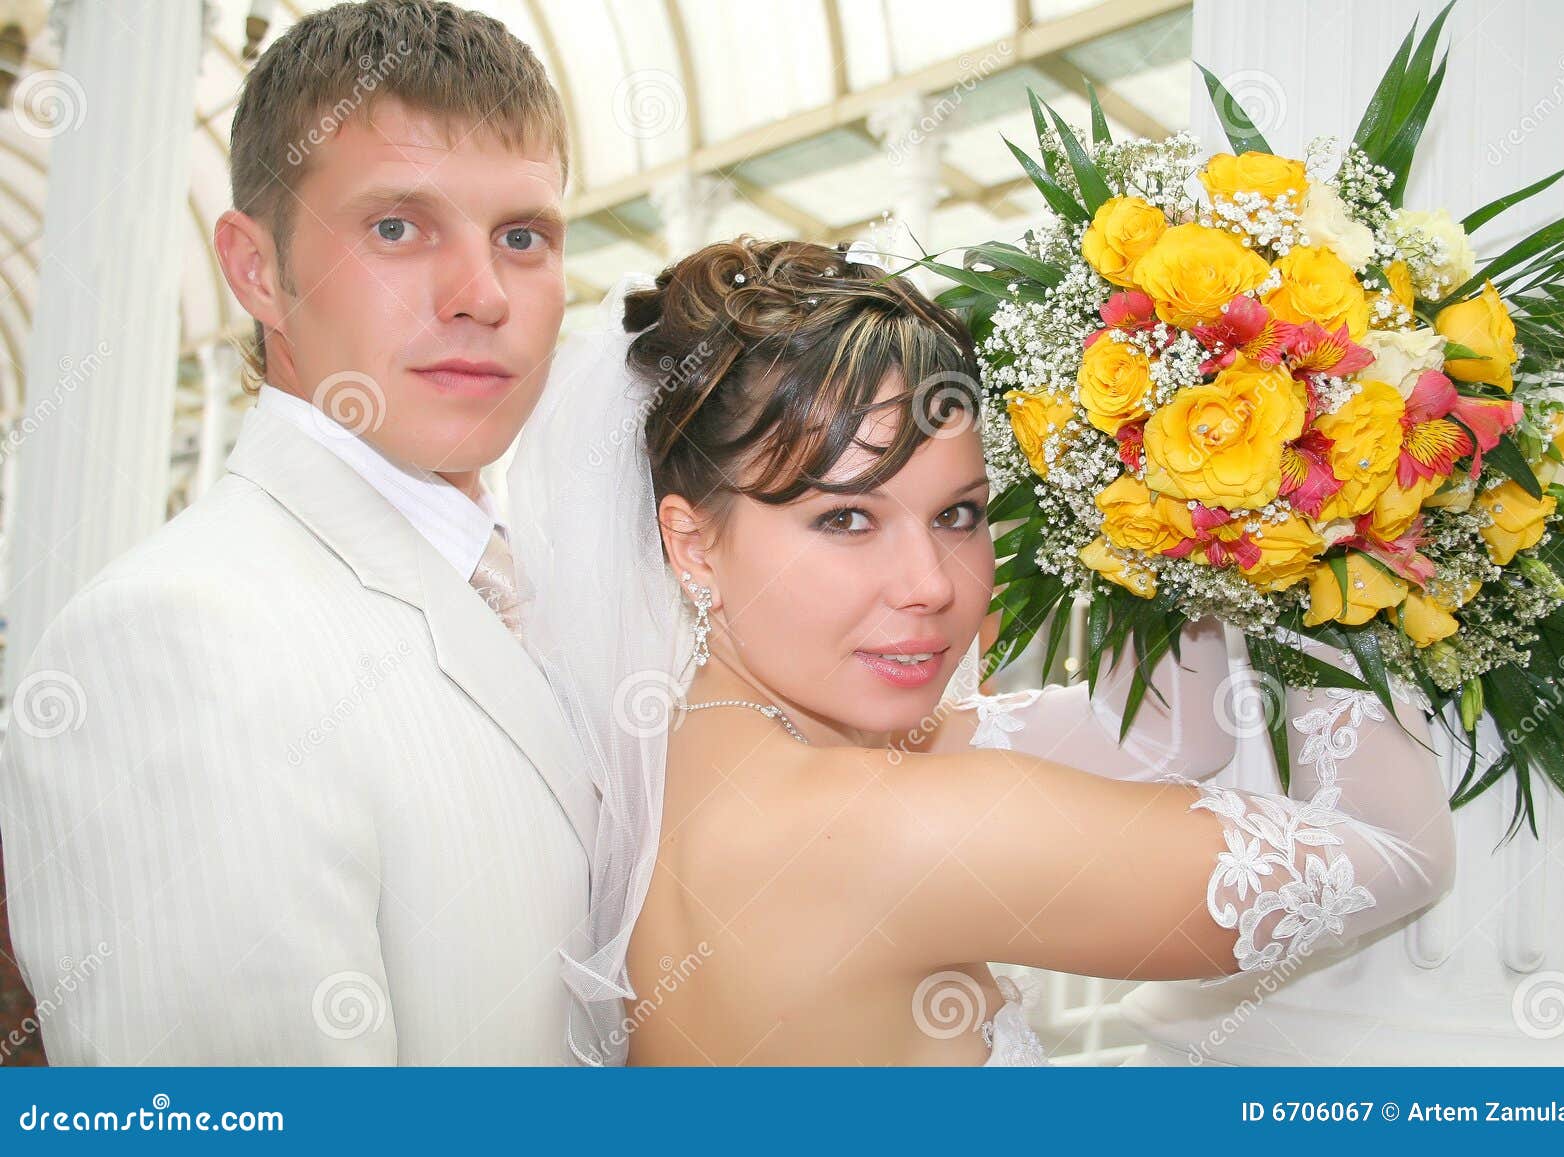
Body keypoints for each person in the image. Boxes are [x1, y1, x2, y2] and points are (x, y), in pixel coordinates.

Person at [510, 236, 1459, 1066]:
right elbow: (1398, 856)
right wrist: (1341, 509)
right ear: (691, 542)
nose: (929, 582)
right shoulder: (893, 824)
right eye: (845, 517)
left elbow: (1162, 744)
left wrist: (1182, 500)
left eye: (958, 514)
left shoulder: (693, 762)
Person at [0, 0, 598, 1064]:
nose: (481, 294)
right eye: (396, 227)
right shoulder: (179, 641)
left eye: (522, 236)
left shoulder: (562, 583)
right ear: (255, 269)